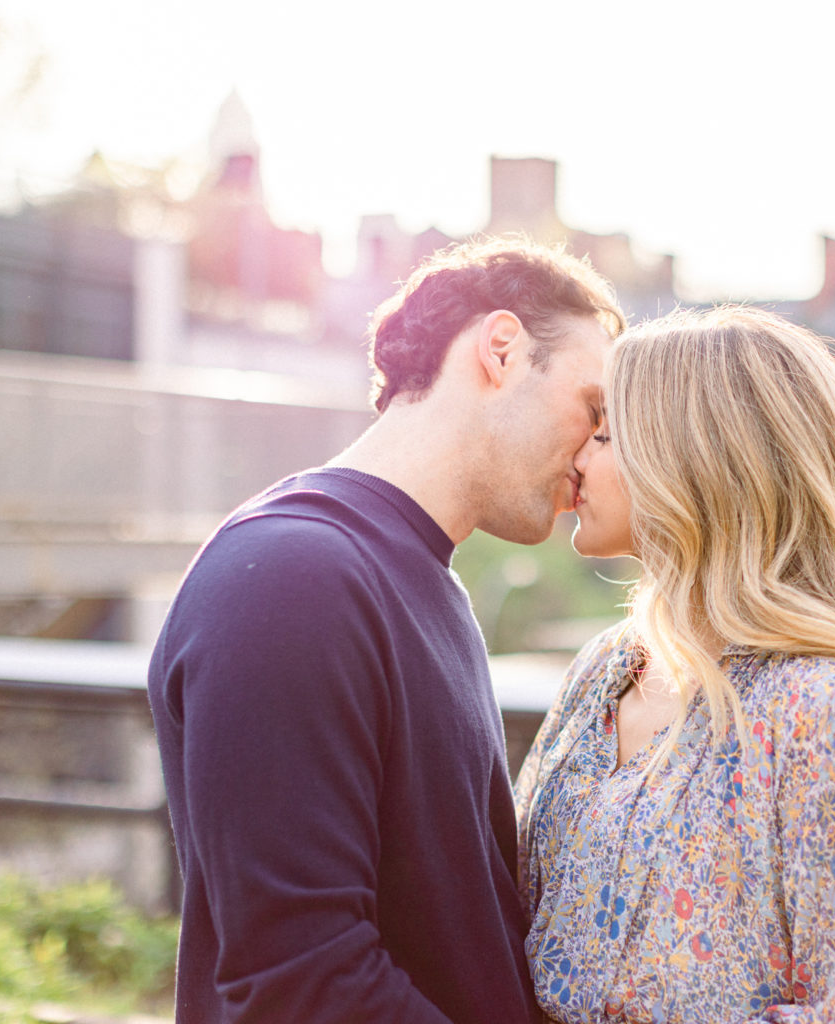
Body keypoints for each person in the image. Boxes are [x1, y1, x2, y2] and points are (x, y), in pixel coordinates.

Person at [148, 236, 625, 1024]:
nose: (593, 455)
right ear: (501, 350)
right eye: (593, 407)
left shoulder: (414, 579)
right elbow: (299, 985)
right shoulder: (293, 576)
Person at [513, 306, 835, 1023]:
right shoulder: (604, 669)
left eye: (605, 434)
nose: (577, 457)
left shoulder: (825, 710)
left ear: (696, 459)